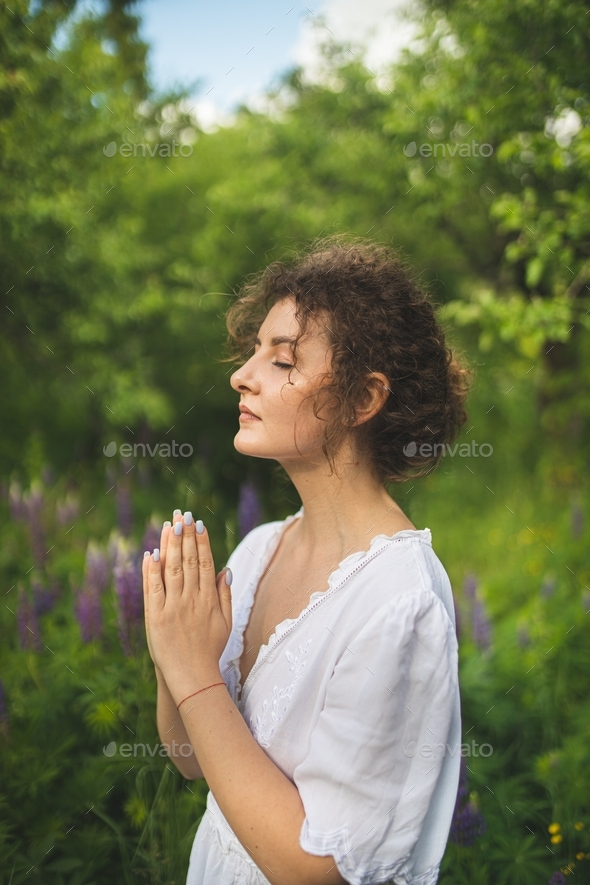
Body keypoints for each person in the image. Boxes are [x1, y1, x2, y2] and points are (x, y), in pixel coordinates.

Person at [142, 236, 470, 885]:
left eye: (282, 358)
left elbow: (319, 866)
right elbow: (190, 758)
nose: (243, 373)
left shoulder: (398, 602)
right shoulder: (260, 547)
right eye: (253, 350)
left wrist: (193, 671)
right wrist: (174, 655)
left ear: (362, 399)